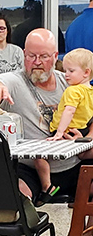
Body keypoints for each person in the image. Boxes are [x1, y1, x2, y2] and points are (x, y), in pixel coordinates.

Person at [0, 28, 89, 236]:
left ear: (55, 56)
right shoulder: (16, 80)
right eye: (31, 56)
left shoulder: (68, 81)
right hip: (31, 166)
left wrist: (85, 134)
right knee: (15, 187)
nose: (36, 63)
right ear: (24, 55)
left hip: (71, 164)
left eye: (43, 57)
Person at [32, 48, 93, 204]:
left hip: (65, 130)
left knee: (38, 155)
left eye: (71, 71)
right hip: (81, 131)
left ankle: (47, 186)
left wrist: (59, 132)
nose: (66, 74)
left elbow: (69, 111)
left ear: (86, 72)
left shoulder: (73, 90)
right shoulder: (90, 91)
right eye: (65, 70)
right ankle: (83, 196)